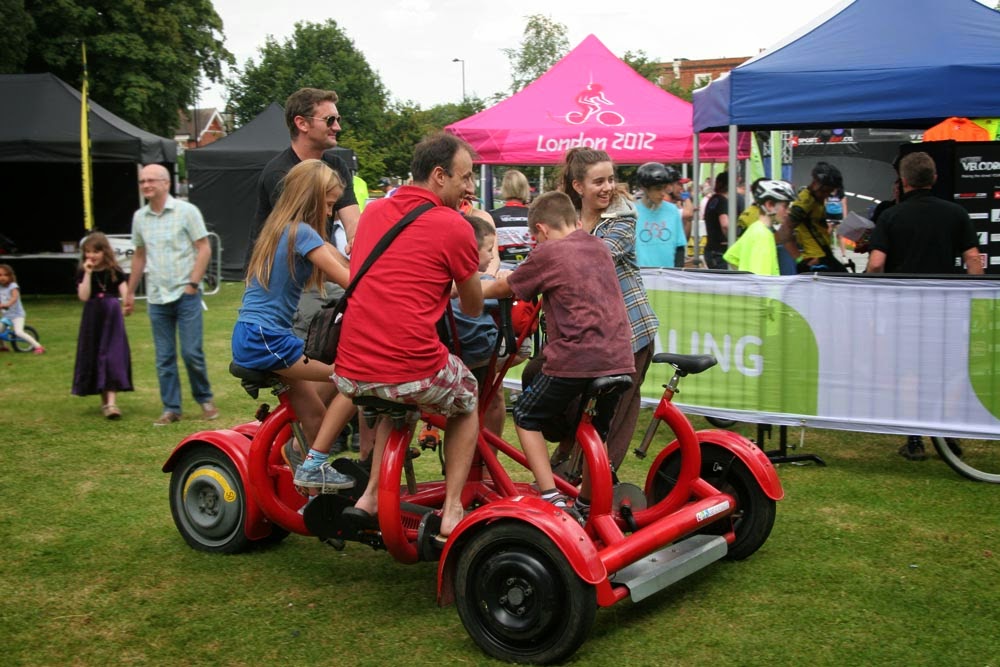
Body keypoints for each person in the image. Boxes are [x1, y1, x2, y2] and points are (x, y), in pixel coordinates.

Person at [328, 132, 484, 541]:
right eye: (465, 178)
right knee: (467, 396)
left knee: (397, 400)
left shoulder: (374, 212)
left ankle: (371, 498)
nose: (470, 188)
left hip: (350, 370)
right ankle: (452, 508)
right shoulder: (454, 225)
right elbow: (472, 307)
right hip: (407, 367)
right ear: (438, 176)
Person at [487, 191, 633, 517]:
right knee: (597, 431)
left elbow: (505, 288)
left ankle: (550, 495)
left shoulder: (549, 252)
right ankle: (585, 503)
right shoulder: (597, 245)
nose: (535, 243)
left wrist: (464, 287)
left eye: (534, 238)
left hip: (577, 357)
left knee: (526, 415)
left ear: (542, 229)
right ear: (574, 220)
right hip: (620, 357)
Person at [234, 159, 356, 491]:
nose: (331, 213)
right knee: (347, 375)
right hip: (266, 339)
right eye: (329, 204)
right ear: (313, 199)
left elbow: (344, 262)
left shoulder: (284, 228)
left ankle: (316, 491)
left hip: (258, 335)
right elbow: (348, 278)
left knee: (315, 413)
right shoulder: (300, 233)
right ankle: (313, 469)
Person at [867, 151, 983, 460]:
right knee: (948, 371)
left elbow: (876, 264)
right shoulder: (956, 213)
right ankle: (947, 435)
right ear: (934, 179)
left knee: (909, 372)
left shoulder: (891, 216)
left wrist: (867, 287)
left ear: (903, 182)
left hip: (904, 308)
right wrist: (975, 294)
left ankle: (914, 438)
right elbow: (973, 258)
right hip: (946, 306)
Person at [557, 147, 658, 471]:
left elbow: (594, 257)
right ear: (578, 186)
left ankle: (596, 484)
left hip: (630, 332)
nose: (607, 187)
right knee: (550, 383)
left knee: (614, 416)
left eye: (611, 179)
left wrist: (550, 257)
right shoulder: (565, 218)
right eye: (598, 181)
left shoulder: (622, 219)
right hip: (590, 334)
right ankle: (568, 461)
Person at [248, 88, 360, 339]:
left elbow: (356, 226)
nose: (338, 127)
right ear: (301, 123)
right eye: (330, 120)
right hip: (290, 284)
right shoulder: (281, 173)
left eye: (338, 120)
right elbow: (309, 246)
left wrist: (361, 250)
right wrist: (360, 279)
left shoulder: (336, 166)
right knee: (317, 346)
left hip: (321, 274)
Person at [124, 164, 217, 426]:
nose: (146, 185)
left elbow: (204, 248)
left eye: (151, 180)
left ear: (166, 183)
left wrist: (192, 284)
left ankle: (204, 398)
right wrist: (130, 292)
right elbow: (140, 255)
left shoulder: (186, 212)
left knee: (191, 353)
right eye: (142, 181)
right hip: (156, 296)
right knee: (164, 356)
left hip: (185, 293)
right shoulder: (140, 217)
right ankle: (171, 408)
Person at [71, 232, 133, 419]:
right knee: (95, 353)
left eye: (95, 252)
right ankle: (105, 402)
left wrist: (127, 303)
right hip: (92, 318)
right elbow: (83, 296)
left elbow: (125, 292)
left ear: (104, 252)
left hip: (111, 316)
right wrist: (88, 273)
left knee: (111, 355)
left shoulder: (115, 270)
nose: (91, 256)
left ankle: (112, 403)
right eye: (87, 252)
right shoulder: (83, 271)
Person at [783, 162, 848, 272]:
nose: (827, 194)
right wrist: (799, 260)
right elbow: (784, 231)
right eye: (826, 191)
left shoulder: (817, 199)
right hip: (814, 260)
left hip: (824, 255)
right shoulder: (806, 201)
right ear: (817, 184)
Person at [723, 180, 796, 276]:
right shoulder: (763, 236)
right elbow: (761, 281)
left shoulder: (754, 228)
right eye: (785, 206)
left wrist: (745, 278)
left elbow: (731, 257)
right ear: (769, 205)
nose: (788, 211)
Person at [633, 162, 687, 268]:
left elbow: (679, 247)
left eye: (664, 188)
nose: (662, 193)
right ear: (645, 188)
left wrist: (676, 275)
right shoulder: (632, 212)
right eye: (658, 189)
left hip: (667, 276)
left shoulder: (672, 210)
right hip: (641, 277)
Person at [490, 169, 534, 262]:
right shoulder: (537, 215)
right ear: (525, 188)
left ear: (504, 189)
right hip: (532, 271)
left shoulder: (490, 217)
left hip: (500, 272)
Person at [0, 263, 45, 354]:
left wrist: (7, 304)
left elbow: (14, 297)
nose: (2, 277)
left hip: (17, 315)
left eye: (5, 275)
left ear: (10, 276)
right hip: (6, 316)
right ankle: (3, 347)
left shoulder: (13, 286)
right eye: (0, 275)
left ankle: (39, 347)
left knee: (18, 332)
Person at [703, 171, 734, 269]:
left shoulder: (712, 199)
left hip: (711, 249)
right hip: (719, 251)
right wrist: (733, 240)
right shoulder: (722, 201)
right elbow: (725, 224)